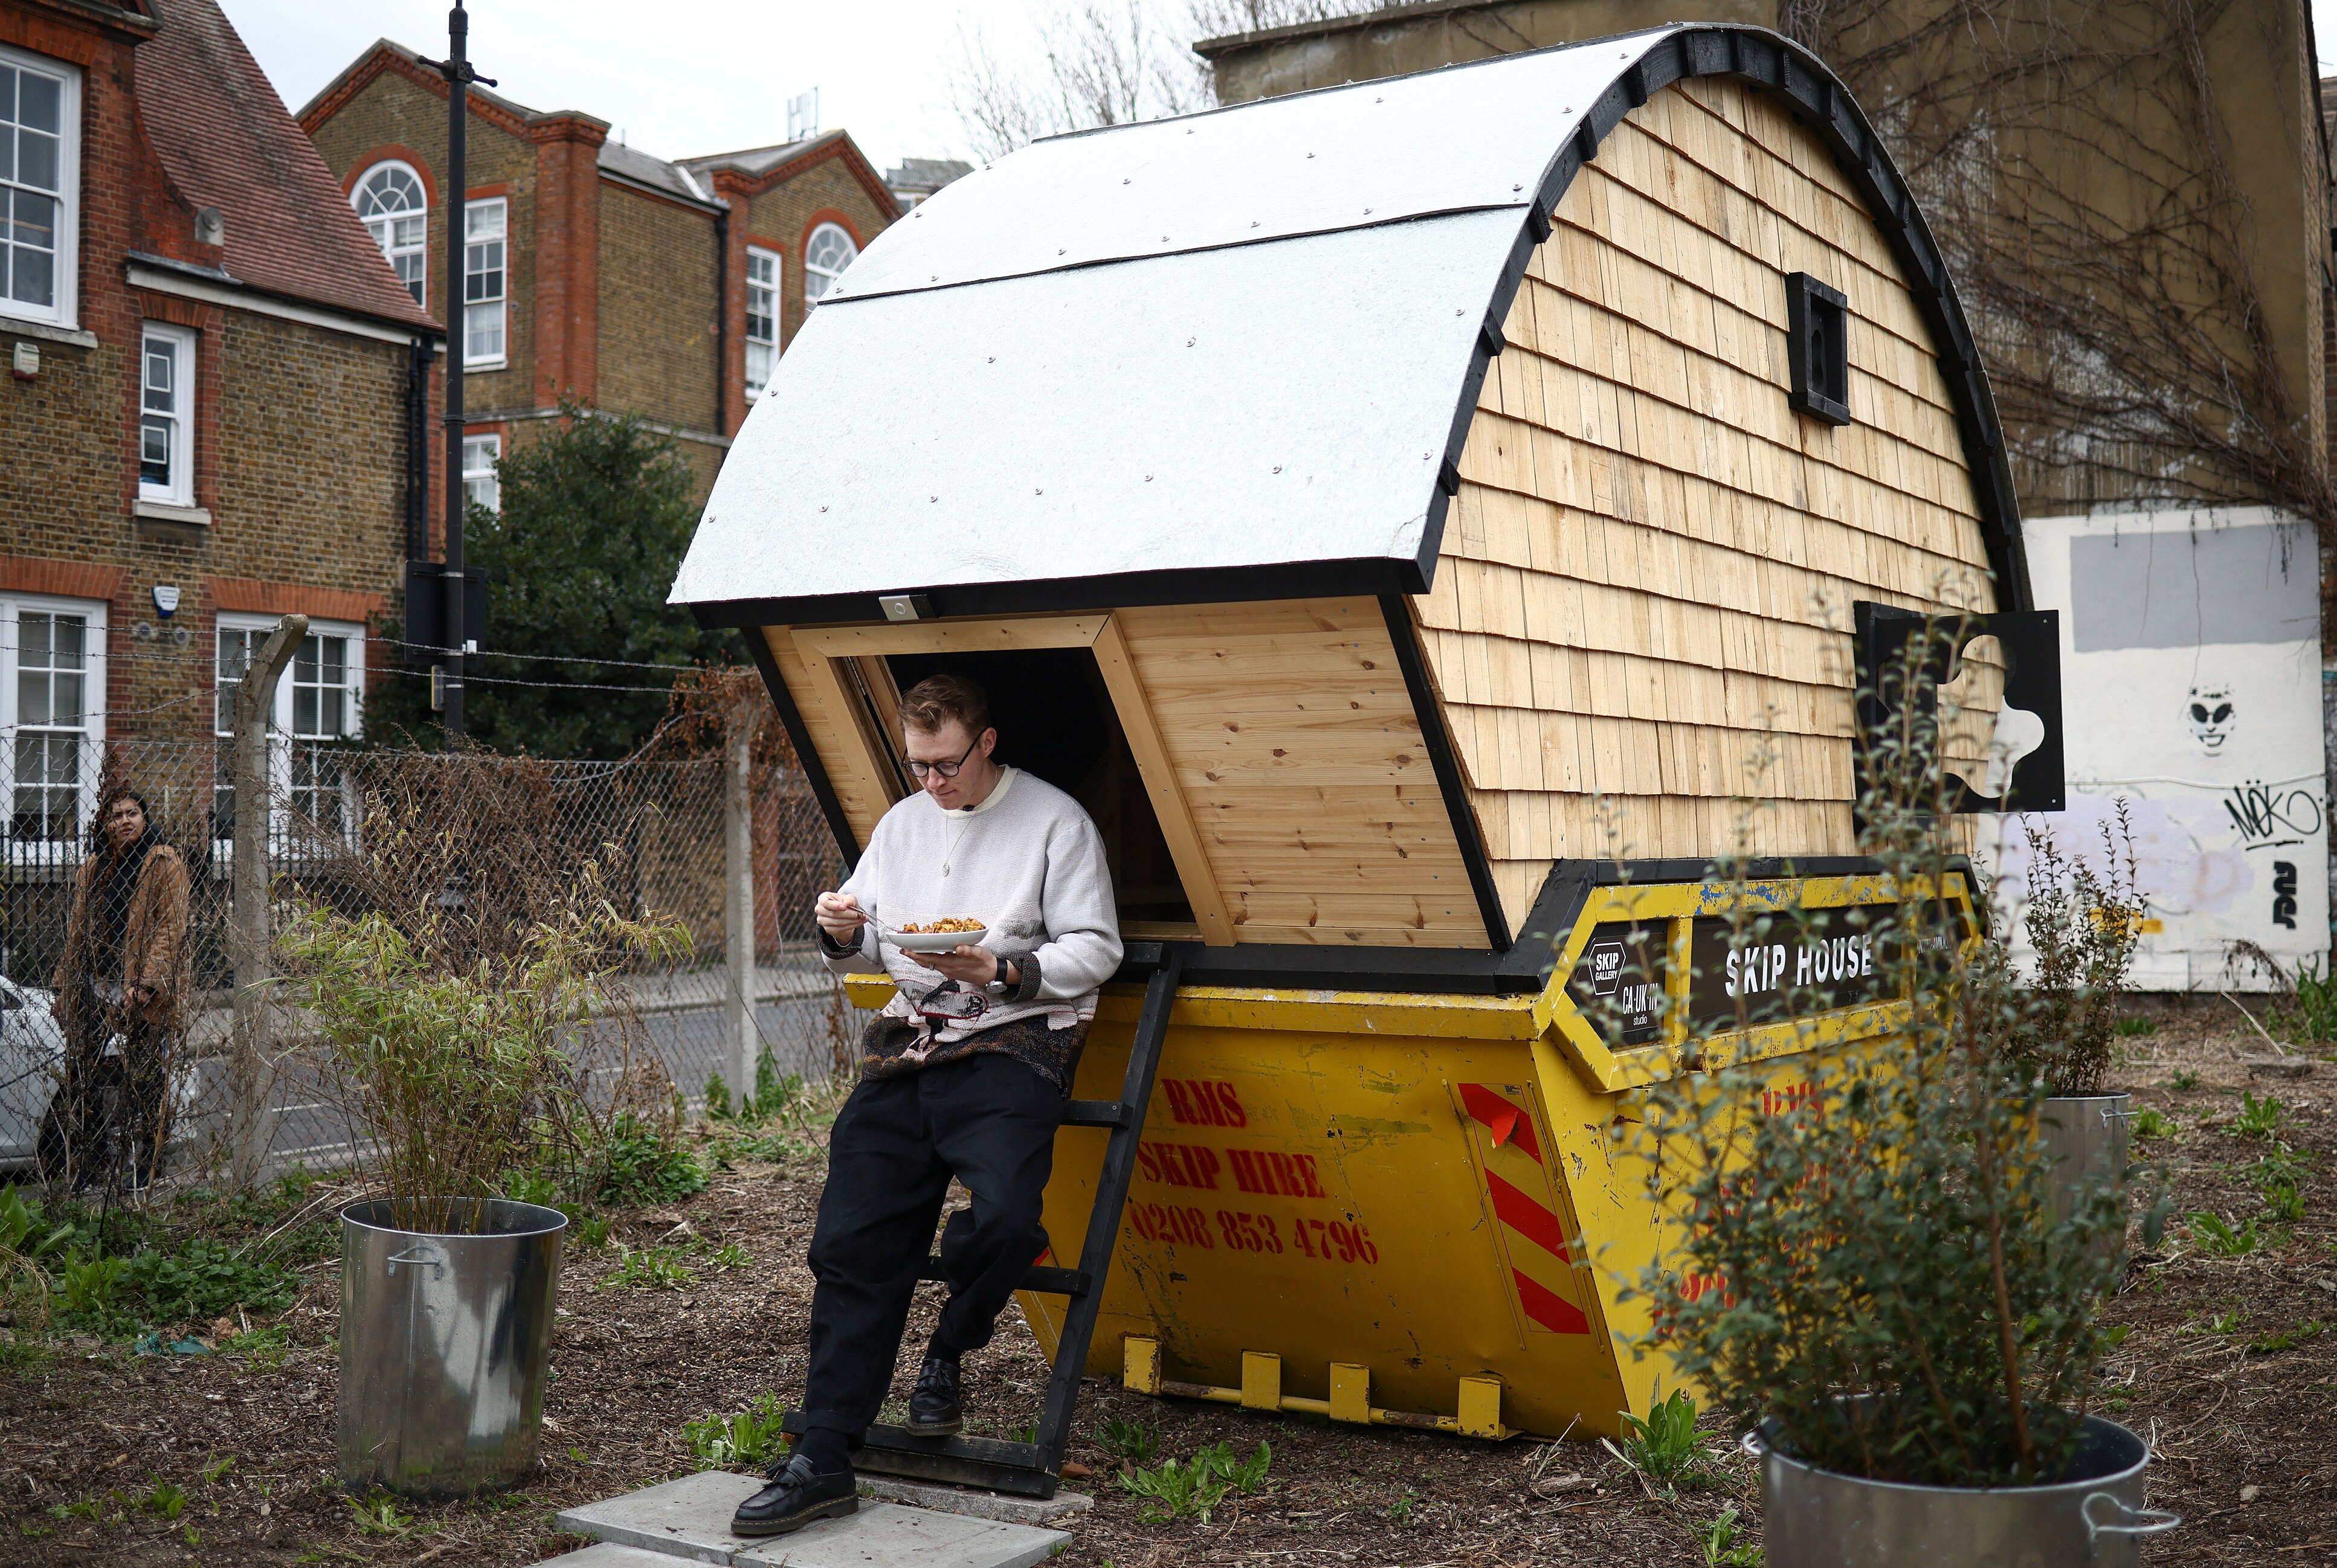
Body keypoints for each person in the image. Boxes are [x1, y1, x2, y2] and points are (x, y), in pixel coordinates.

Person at [733, 673, 1123, 1537]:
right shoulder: (905, 822)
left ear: (986, 743)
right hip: (911, 1040)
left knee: (1009, 1223)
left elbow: (1098, 947)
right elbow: (870, 929)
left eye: (946, 764)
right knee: (849, 1243)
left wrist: (1011, 971)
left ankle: (950, 1343)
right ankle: (823, 1457)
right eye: (918, 765)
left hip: (1016, 1039)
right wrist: (842, 928)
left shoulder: (1056, 822)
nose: (932, 783)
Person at [42, 788, 192, 1190]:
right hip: (96, 983)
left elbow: (170, 926)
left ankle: (147, 1163)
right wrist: (65, 986)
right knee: (82, 1073)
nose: (124, 821)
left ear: (145, 818)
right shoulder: (94, 866)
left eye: (132, 813)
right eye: (115, 816)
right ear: (104, 824)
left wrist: (146, 983)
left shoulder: (163, 860)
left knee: (144, 1078)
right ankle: (92, 1162)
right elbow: (78, 931)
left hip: (140, 988)